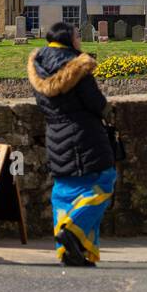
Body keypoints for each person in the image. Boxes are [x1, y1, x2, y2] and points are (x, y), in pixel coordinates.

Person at [28, 21, 117, 266]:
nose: (80, 39)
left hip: (55, 135)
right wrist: (108, 111)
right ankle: (73, 230)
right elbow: (96, 103)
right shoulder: (76, 66)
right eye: (77, 35)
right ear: (68, 38)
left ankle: (72, 252)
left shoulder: (38, 67)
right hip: (85, 135)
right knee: (103, 182)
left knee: (65, 193)